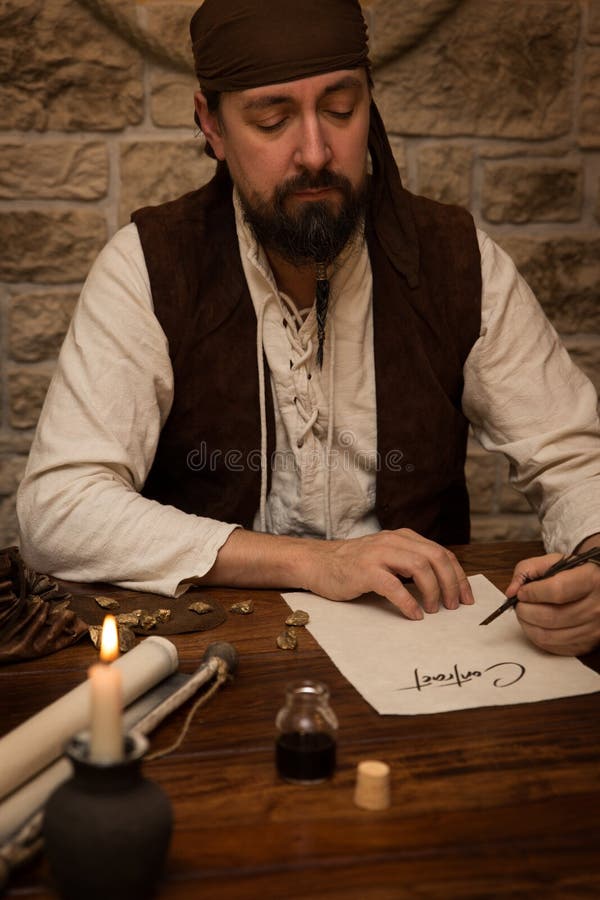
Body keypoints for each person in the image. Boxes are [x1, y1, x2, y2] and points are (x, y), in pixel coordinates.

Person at [17, 0, 600, 656]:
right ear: (212, 125)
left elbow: (574, 460)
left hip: (424, 648)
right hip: (209, 653)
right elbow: (58, 511)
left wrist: (594, 561)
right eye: (273, 120)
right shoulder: (149, 267)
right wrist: (314, 562)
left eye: (341, 109)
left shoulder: (457, 260)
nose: (316, 153)